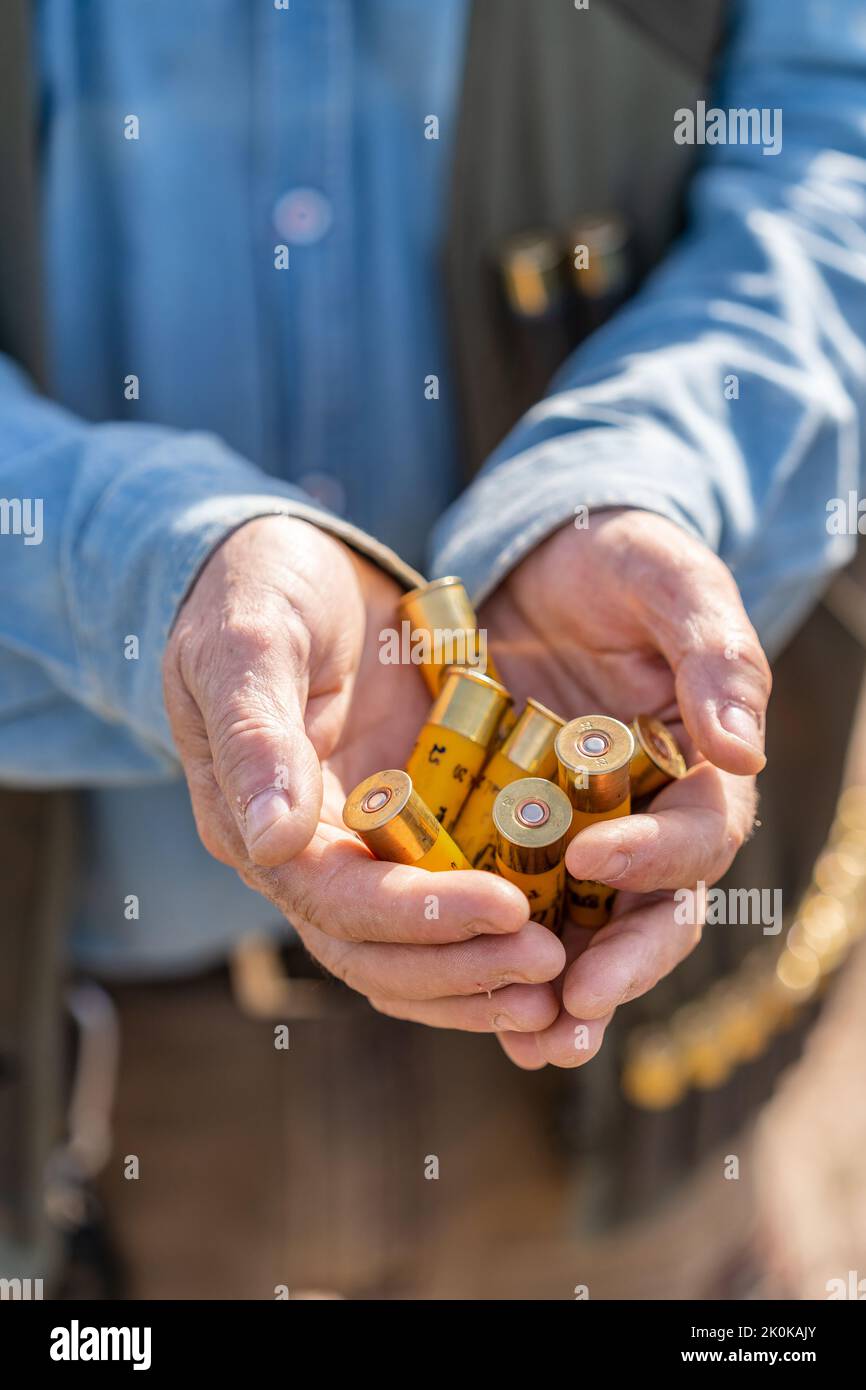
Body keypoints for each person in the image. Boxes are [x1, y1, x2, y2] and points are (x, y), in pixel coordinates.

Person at [0, 0, 864, 1295]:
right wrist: (137, 560)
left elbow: (828, 141)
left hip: (634, 1084)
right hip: (98, 1071)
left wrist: (645, 474)